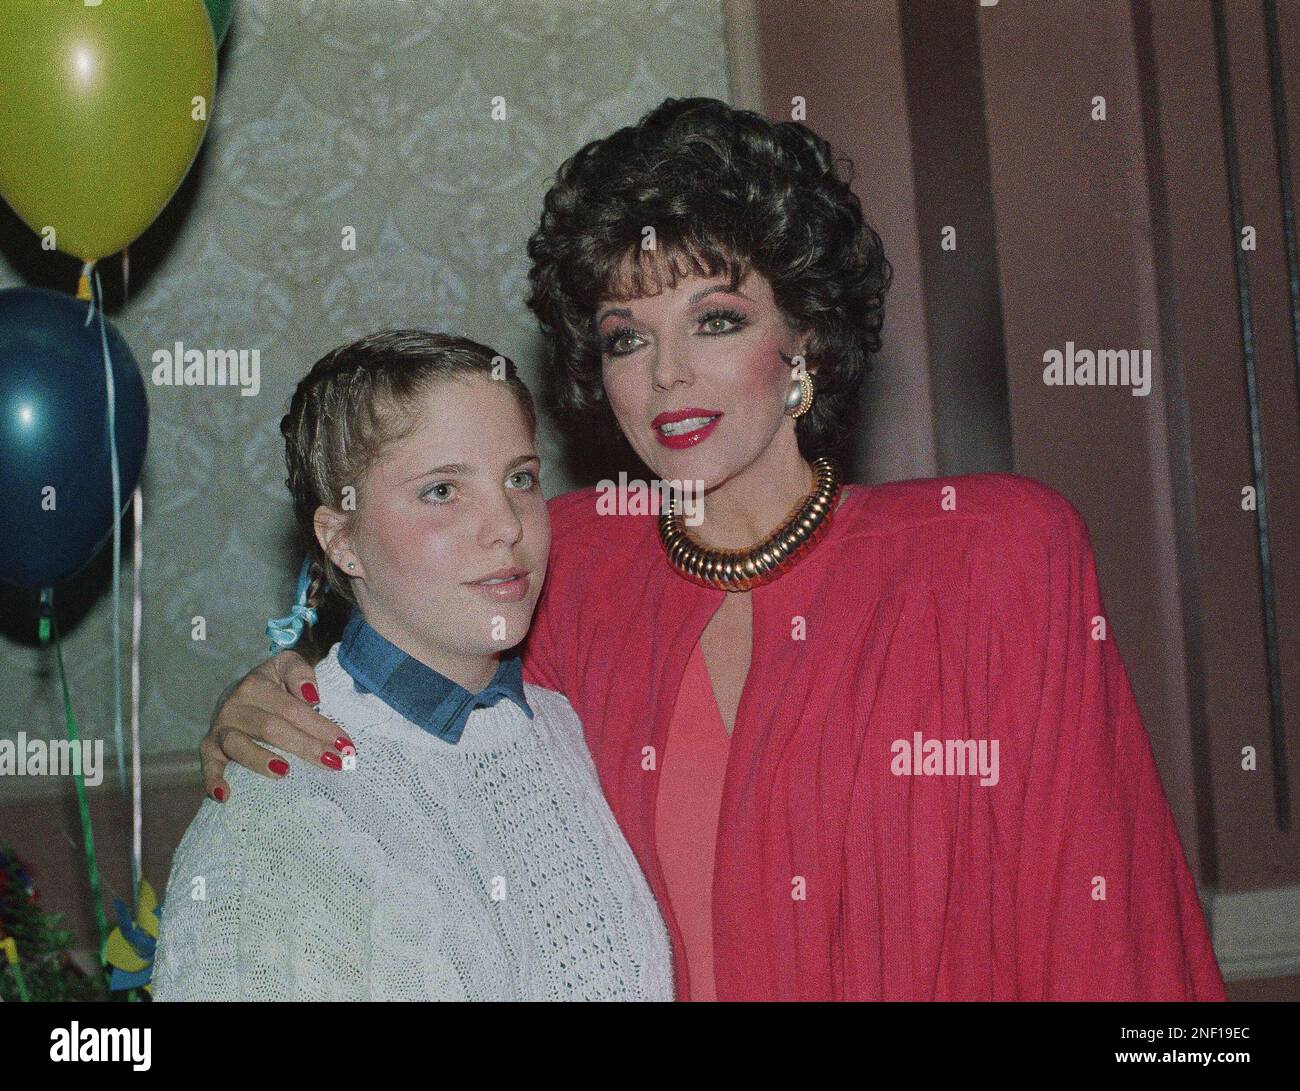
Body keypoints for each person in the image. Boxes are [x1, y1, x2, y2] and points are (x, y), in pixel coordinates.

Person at [197, 98, 1226, 1001]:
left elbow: (1114, 930)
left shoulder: (991, 555)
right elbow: (402, 680)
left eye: (717, 320)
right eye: (627, 336)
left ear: (804, 338)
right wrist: (275, 692)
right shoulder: (565, 567)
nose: (668, 374)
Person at [152, 331, 672, 1001]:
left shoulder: (562, 726)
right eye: (442, 490)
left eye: (519, 478)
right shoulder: (277, 810)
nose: (506, 525)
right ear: (342, 539)